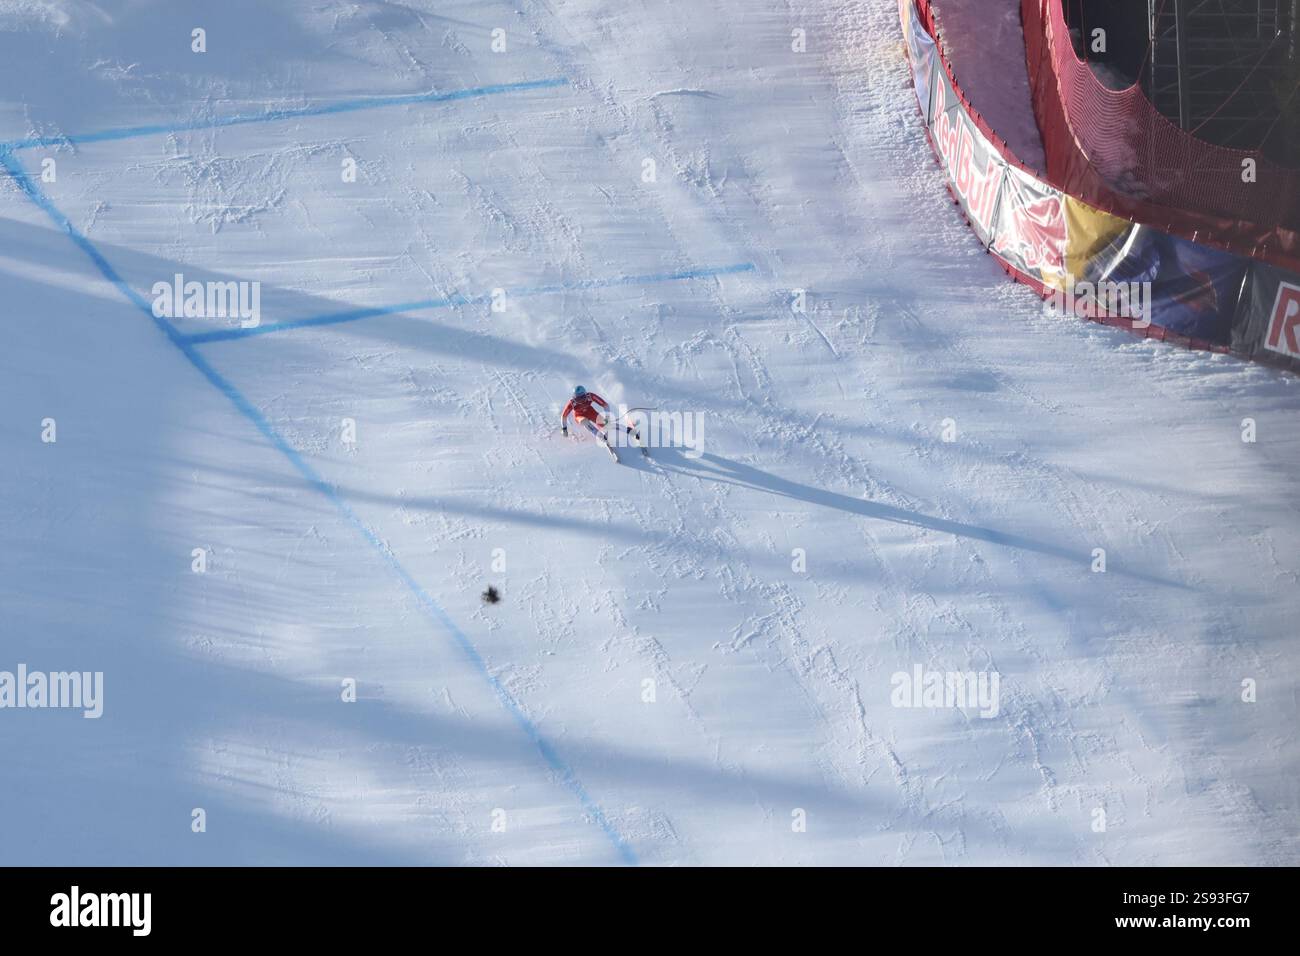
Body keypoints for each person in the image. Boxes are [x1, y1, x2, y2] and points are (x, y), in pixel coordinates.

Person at [561, 385, 640, 445]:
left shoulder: (590, 396)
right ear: (574, 397)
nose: (581, 400)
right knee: (584, 421)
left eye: (582, 397)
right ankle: (600, 436)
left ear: (585, 394)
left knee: (608, 425)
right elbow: (564, 416)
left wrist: (607, 417)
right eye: (578, 398)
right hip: (579, 415)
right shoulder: (572, 403)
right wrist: (564, 429)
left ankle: (630, 431)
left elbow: (605, 405)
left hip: (590, 412)